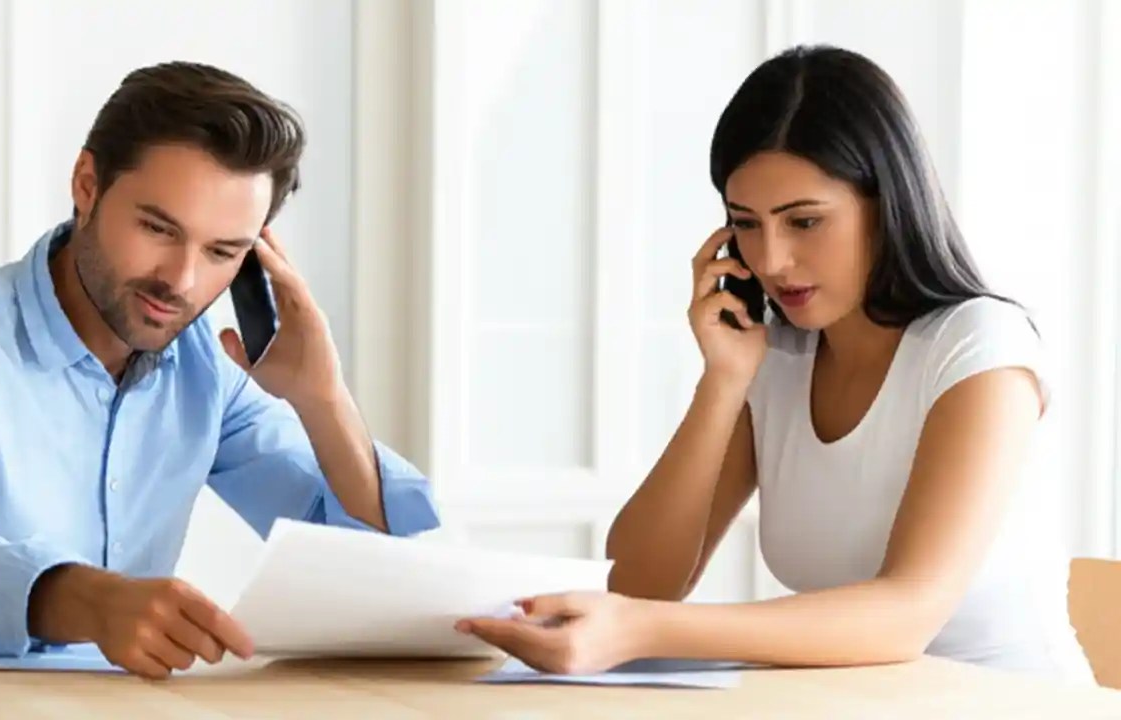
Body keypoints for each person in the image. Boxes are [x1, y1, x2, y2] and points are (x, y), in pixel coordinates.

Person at [457, 44, 1094, 683]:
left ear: (887, 203)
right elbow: (640, 581)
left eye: (805, 222)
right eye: (746, 224)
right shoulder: (777, 359)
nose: (772, 259)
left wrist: (640, 630)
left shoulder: (980, 347)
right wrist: (723, 381)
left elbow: (907, 613)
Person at [0, 61, 439, 718]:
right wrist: (94, 602)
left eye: (223, 253)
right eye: (159, 229)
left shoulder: (206, 372)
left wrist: (323, 399)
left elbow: (378, 574)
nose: (181, 281)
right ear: (87, 184)